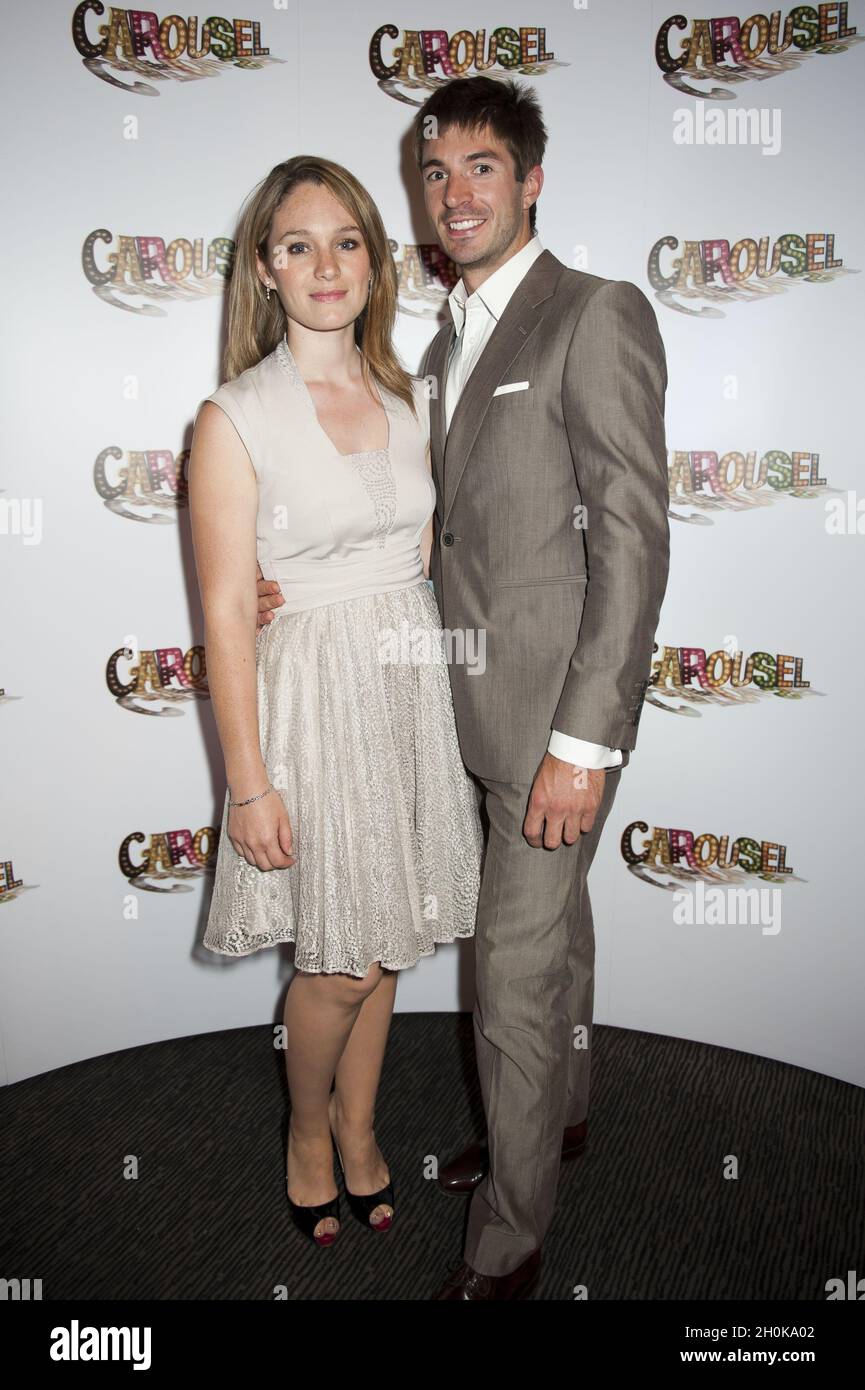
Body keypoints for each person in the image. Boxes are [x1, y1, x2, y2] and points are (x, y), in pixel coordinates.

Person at [256, 76, 670, 1299]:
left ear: (531, 178)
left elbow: (633, 540)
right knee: (550, 953)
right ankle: (563, 1120)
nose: (455, 192)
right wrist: (278, 585)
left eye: (482, 167)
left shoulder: (594, 313)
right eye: (435, 173)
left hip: (552, 723)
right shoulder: (433, 343)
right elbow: (408, 528)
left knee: (515, 979)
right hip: (453, 709)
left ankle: (509, 1240)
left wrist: (584, 745)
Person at [188, 155, 483, 1249]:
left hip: (406, 688)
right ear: (264, 268)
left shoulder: (409, 394)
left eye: (348, 241)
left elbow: (426, 552)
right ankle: (307, 1129)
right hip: (309, 702)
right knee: (338, 960)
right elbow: (226, 609)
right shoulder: (234, 418)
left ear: (376, 259)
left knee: (389, 941)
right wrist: (248, 785)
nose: (326, 264)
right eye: (299, 244)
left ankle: (363, 1129)